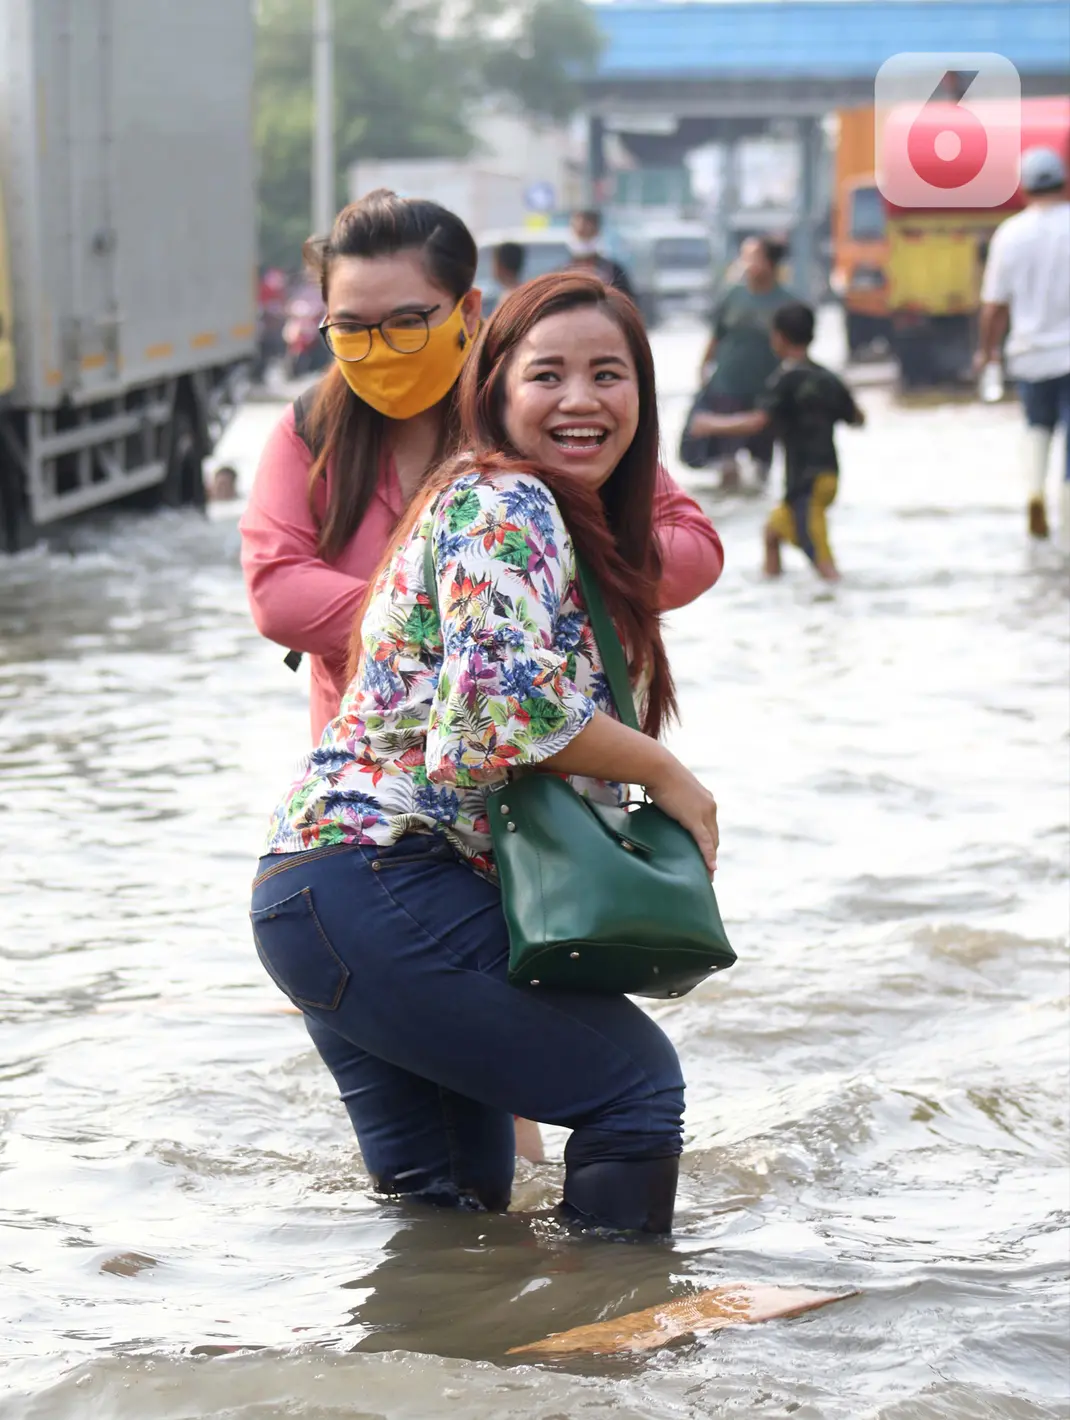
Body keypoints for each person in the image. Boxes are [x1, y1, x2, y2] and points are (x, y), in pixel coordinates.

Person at [240, 190, 723, 1169]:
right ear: (503, 379)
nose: (577, 400)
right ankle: (623, 1322)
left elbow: (689, 546)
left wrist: (551, 603)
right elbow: (489, 707)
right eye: (352, 328)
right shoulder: (457, 480)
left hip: (372, 857)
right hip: (392, 842)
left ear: (465, 319)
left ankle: (486, 1323)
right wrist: (439, 628)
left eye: (405, 322)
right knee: (631, 1091)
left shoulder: (545, 484)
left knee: (460, 1213)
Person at [687, 301, 864, 581]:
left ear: (779, 337)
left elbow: (759, 421)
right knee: (772, 534)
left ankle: (843, 611)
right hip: (824, 477)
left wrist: (711, 424)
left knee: (821, 561)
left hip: (807, 483)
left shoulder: (784, 380)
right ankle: (775, 591)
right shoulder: (827, 378)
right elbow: (857, 418)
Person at [977, 146, 1070, 541]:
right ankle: (1066, 525)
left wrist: (987, 351)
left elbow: (994, 306)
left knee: (1037, 425)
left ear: (1024, 187)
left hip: (1029, 354)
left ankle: (1034, 491)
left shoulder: (1010, 234)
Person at [685, 236, 794, 488]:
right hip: (727, 385)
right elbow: (717, 335)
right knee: (726, 462)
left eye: (753, 257)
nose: (746, 264)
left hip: (766, 390)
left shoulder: (786, 302)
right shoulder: (732, 296)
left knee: (761, 466)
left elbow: (793, 350)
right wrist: (703, 368)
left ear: (770, 262)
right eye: (745, 257)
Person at [567, 209, 636, 303]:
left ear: (597, 232)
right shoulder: (562, 273)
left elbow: (628, 306)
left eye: (587, 232)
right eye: (579, 233)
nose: (582, 238)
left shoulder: (613, 272)